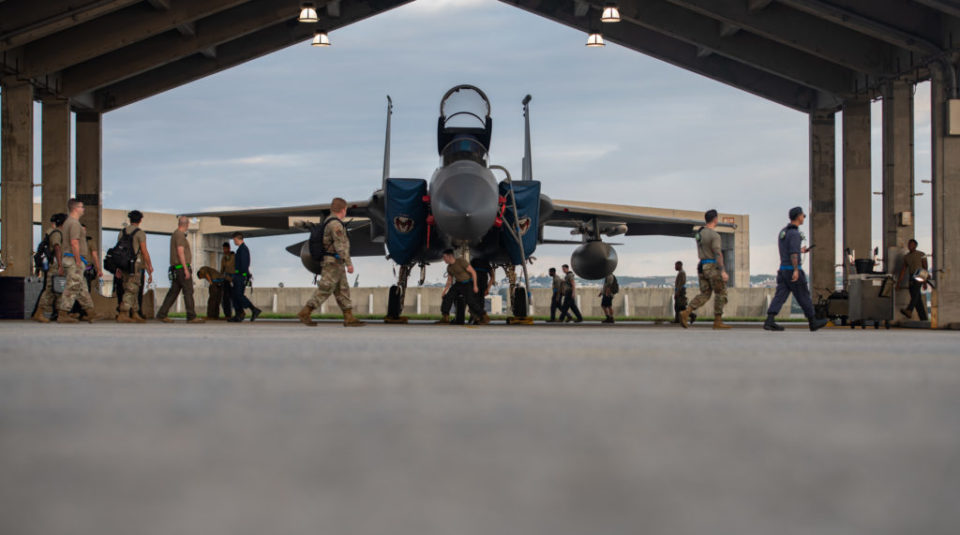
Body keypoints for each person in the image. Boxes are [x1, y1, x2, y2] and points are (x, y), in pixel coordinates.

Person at [296, 198, 364, 327]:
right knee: (325, 289)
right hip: (333, 262)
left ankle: (349, 317)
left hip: (336, 262)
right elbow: (340, 245)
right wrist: (349, 263)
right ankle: (305, 312)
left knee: (343, 290)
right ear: (343, 210)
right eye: (346, 210)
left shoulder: (329, 221)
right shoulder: (336, 225)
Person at [762, 207, 829, 332]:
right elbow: (793, 253)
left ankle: (769, 320)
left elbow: (789, 250)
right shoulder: (794, 234)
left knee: (780, 296)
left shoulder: (784, 232)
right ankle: (813, 321)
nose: (804, 217)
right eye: (803, 215)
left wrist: (801, 250)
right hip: (792, 270)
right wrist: (796, 270)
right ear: (798, 216)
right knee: (803, 295)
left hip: (783, 270)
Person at [680, 209, 730, 330]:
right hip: (712, 266)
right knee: (721, 293)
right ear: (715, 219)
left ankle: (687, 311)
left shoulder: (700, 233)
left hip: (701, 266)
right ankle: (718, 321)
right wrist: (722, 270)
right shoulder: (715, 235)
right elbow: (718, 253)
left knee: (705, 293)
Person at [156, 216, 204, 324]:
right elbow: (180, 251)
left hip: (176, 269)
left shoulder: (175, 234)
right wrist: (186, 269)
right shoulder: (180, 235)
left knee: (173, 292)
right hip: (181, 269)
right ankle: (191, 316)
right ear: (187, 224)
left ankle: (161, 314)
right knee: (188, 292)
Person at [56, 199, 97, 323]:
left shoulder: (69, 223)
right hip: (74, 259)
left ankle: (91, 312)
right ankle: (63, 313)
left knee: (81, 288)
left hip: (72, 258)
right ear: (75, 208)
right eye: (81, 207)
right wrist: (78, 259)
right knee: (73, 286)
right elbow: (74, 242)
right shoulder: (74, 223)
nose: (83, 209)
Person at [115, 210, 153, 324]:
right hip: (135, 265)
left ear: (130, 220)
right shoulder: (140, 233)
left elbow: (118, 251)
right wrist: (149, 266)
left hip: (124, 264)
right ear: (140, 220)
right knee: (132, 288)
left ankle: (135, 313)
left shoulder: (122, 232)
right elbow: (144, 251)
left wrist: (118, 267)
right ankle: (123, 313)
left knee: (132, 288)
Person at [437, 249, 489, 324]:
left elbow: (473, 272)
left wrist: (475, 286)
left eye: (445, 257)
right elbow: (449, 281)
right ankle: (445, 317)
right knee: (447, 297)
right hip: (458, 284)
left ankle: (484, 316)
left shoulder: (461, 262)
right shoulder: (449, 268)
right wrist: (444, 291)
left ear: (450, 256)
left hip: (467, 283)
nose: (444, 259)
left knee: (471, 302)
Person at [32, 213, 67, 323]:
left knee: (59, 290)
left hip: (58, 265)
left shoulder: (60, 232)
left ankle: (60, 314)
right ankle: (39, 313)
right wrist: (60, 265)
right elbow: (57, 248)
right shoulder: (56, 233)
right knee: (49, 290)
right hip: (55, 265)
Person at [228, 232, 262, 322]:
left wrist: (239, 274)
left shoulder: (243, 249)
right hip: (239, 276)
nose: (233, 241)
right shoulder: (241, 249)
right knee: (235, 295)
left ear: (237, 239)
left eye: (234, 239)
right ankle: (239, 314)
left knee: (238, 295)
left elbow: (244, 265)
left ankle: (253, 309)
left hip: (240, 276)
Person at [897, 239, 929, 321]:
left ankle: (909, 310)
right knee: (917, 299)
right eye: (909, 244)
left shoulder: (922, 254)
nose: (909, 246)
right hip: (911, 277)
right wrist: (898, 283)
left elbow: (925, 267)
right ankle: (923, 318)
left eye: (911, 244)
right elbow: (903, 270)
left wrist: (925, 282)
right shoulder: (906, 257)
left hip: (920, 274)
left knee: (915, 295)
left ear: (915, 245)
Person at [469, 256, 495, 322]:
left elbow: (468, 273)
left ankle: (475, 316)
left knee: (477, 300)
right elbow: (492, 276)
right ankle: (477, 316)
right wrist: (488, 289)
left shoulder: (474, 261)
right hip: (480, 284)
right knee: (480, 301)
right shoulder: (486, 263)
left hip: (477, 284)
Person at [219, 242, 235, 320]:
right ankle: (227, 314)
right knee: (225, 297)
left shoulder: (233, 256)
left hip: (233, 278)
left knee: (233, 297)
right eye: (223, 249)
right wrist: (220, 278)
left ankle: (237, 313)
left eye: (226, 248)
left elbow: (233, 266)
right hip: (226, 278)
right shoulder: (223, 258)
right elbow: (222, 269)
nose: (224, 250)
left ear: (229, 248)